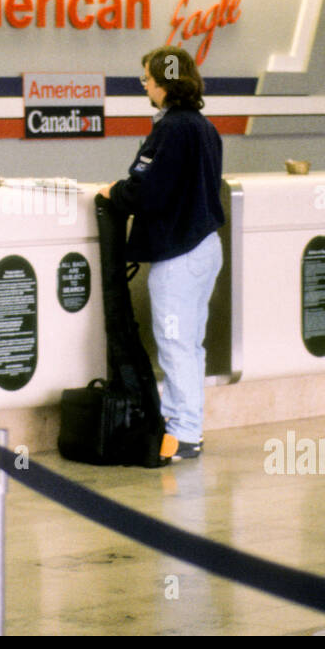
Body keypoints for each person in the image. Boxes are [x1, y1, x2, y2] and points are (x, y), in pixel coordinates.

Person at [97, 46, 224, 463]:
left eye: (147, 80)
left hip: (179, 255)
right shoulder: (204, 127)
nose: (145, 87)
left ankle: (184, 433)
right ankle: (184, 424)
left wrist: (114, 192)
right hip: (204, 247)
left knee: (175, 344)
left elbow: (146, 189)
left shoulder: (170, 130)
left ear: (165, 84)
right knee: (190, 343)